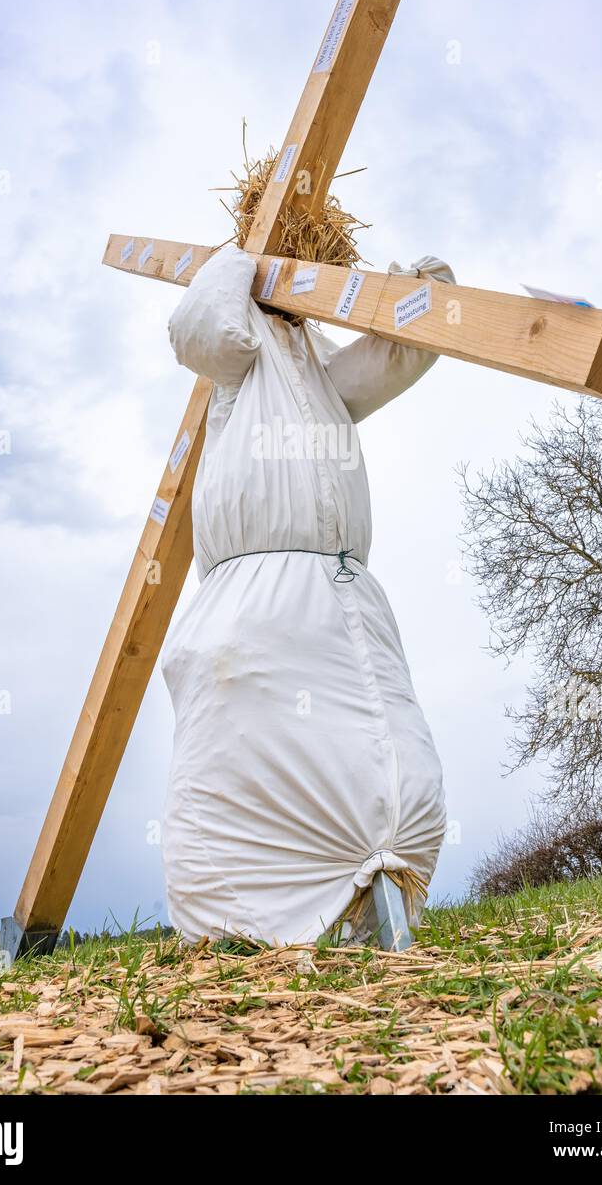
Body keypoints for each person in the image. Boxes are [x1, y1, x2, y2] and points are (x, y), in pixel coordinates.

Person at [159, 244, 455, 944]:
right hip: (254, 586)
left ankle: (364, 894)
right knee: (245, 741)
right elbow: (199, 327)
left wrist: (427, 288)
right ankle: (240, 917)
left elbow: (399, 353)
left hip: (339, 577)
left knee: (378, 748)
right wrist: (244, 256)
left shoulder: (317, 371)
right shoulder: (237, 361)